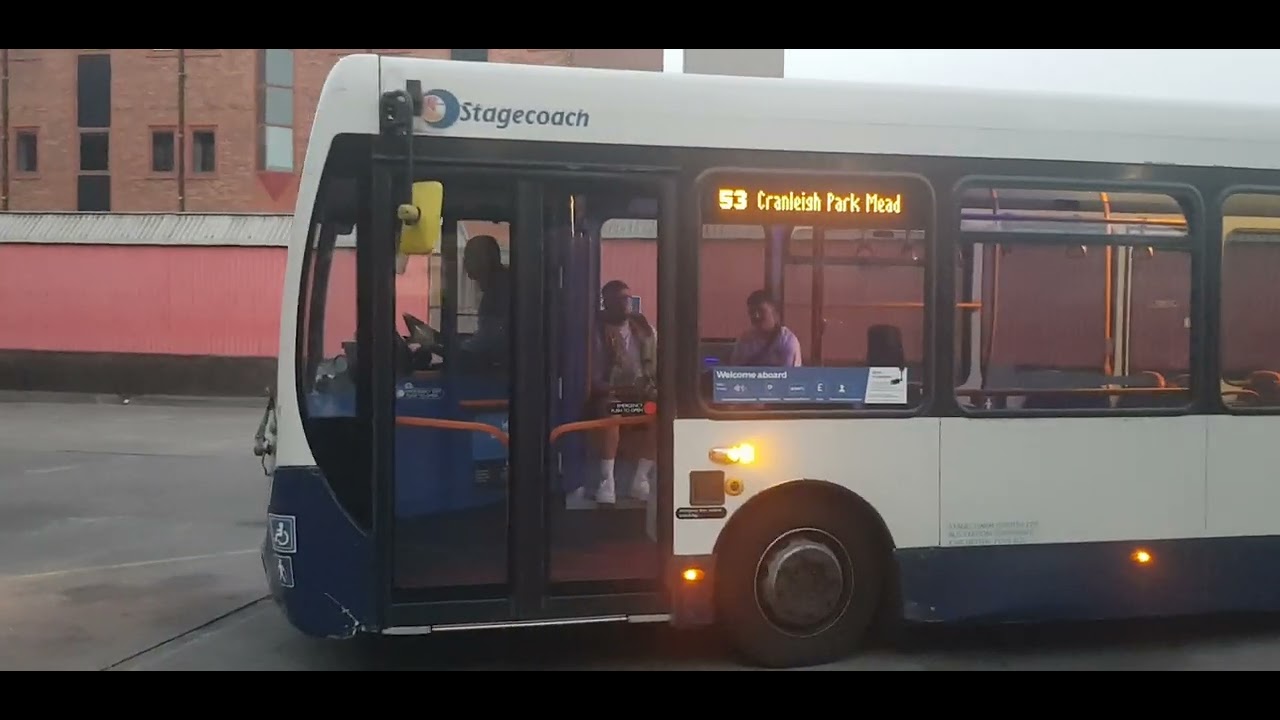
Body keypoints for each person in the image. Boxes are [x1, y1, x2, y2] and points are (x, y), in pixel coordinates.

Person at [588, 280, 657, 506]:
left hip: (640, 398)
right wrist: (613, 388)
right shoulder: (596, 332)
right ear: (605, 303)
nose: (625, 304)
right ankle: (606, 481)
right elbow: (593, 378)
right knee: (613, 413)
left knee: (663, 412)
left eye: (627, 298)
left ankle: (640, 479)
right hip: (611, 396)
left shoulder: (643, 329)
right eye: (618, 300)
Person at [458, 234, 511, 366]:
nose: (465, 263)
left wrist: (458, 349)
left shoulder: (501, 291)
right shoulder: (497, 286)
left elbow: (489, 339)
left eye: (469, 257)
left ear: (484, 260)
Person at [729, 289, 803, 367]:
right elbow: (734, 372)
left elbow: (789, 376)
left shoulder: (787, 341)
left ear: (775, 312)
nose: (756, 316)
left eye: (761, 311)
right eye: (752, 312)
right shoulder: (745, 340)